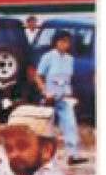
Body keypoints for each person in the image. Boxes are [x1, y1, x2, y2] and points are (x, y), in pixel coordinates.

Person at [30, 30, 84, 164]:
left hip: (63, 96)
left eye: (67, 42)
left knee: (70, 124)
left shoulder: (69, 59)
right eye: (62, 41)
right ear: (56, 42)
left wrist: (69, 92)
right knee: (45, 126)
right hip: (49, 96)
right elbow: (38, 76)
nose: (65, 44)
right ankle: (40, 154)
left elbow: (68, 78)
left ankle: (72, 155)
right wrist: (45, 91)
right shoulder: (48, 57)